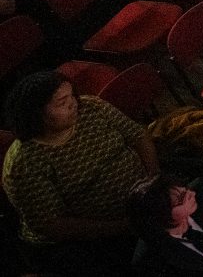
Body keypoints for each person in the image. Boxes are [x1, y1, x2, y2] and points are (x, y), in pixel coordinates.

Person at [2, 70, 158, 276]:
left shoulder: (92, 108)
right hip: (89, 238)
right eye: (62, 103)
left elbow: (137, 135)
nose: (74, 104)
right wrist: (122, 226)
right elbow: (52, 225)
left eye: (72, 96)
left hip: (140, 203)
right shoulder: (25, 162)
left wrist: (154, 179)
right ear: (37, 115)